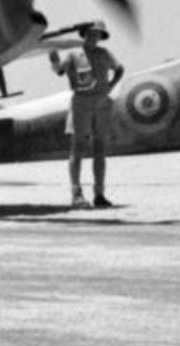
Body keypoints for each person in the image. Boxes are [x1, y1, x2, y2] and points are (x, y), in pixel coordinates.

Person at [48, 21, 124, 209]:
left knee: (100, 150)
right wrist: (52, 56)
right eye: (91, 33)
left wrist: (111, 85)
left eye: (98, 34)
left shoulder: (104, 54)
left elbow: (120, 68)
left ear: (101, 36)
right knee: (78, 149)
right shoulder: (74, 54)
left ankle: (99, 194)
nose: (94, 36)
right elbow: (59, 71)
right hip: (81, 103)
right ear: (84, 34)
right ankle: (76, 193)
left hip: (102, 104)